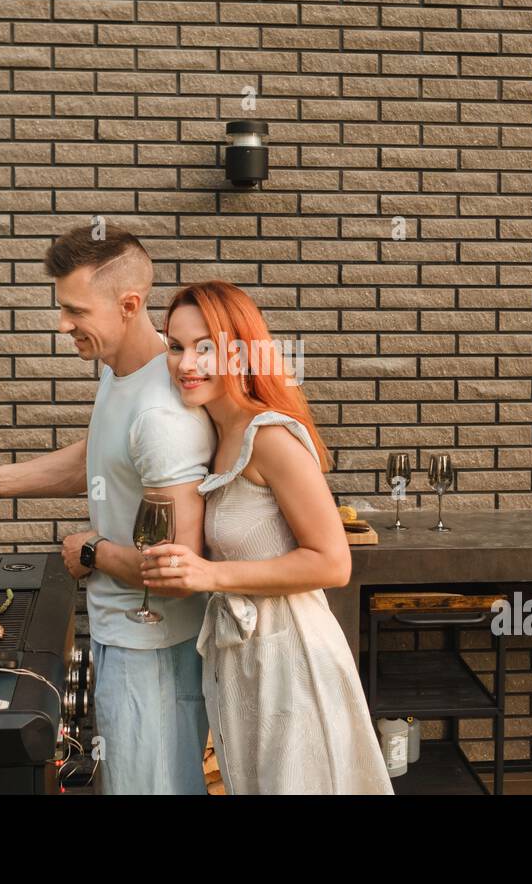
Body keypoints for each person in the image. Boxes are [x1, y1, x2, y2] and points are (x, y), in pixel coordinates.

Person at [0, 225, 215, 794]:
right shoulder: (122, 371)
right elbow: (97, 457)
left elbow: (177, 569)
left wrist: (90, 551)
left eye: (75, 310)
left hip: (153, 649)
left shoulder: (161, 415)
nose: (62, 324)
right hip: (124, 636)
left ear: (129, 305)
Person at [140, 280, 393, 794]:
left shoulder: (270, 436)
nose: (187, 364)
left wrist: (210, 575)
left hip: (293, 662)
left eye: (205, 348)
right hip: (244, 661)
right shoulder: (213, 431)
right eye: (176, 347)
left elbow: (333, 563)